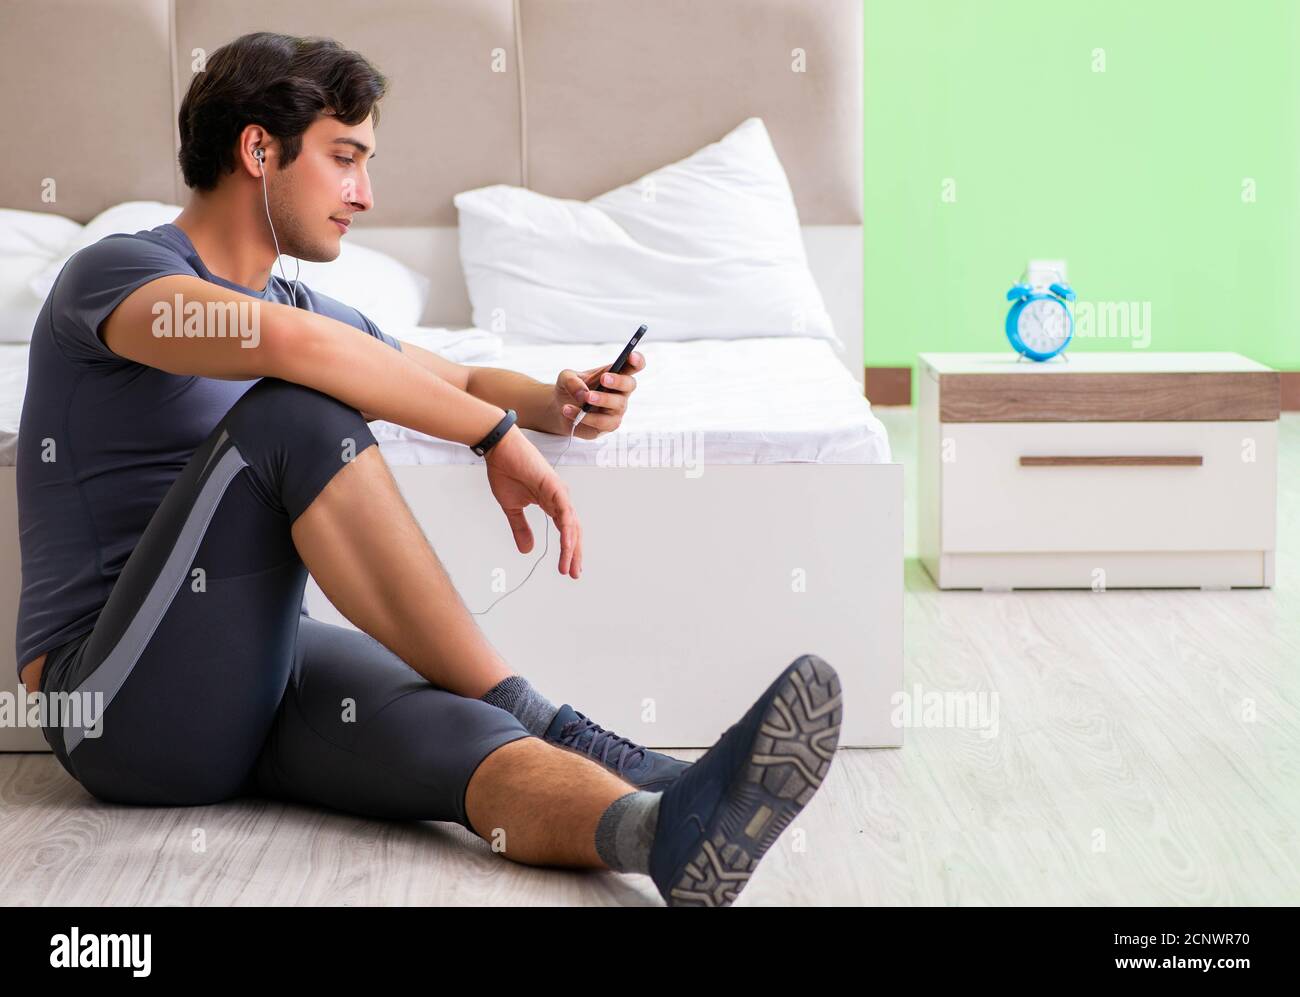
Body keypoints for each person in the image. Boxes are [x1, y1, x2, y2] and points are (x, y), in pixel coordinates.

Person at [16, 31, 841, 906]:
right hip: (110, 705)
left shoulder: (302, 305)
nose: (364, 195)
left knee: (463, 736)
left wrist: (556, 401)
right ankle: (543, 711)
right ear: (259, 149)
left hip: (247, 670)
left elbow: (455, 375)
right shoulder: (117, 275)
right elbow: (296, 352)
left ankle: (664, 829)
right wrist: (489, 436)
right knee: (296, 413)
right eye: (345, 159)